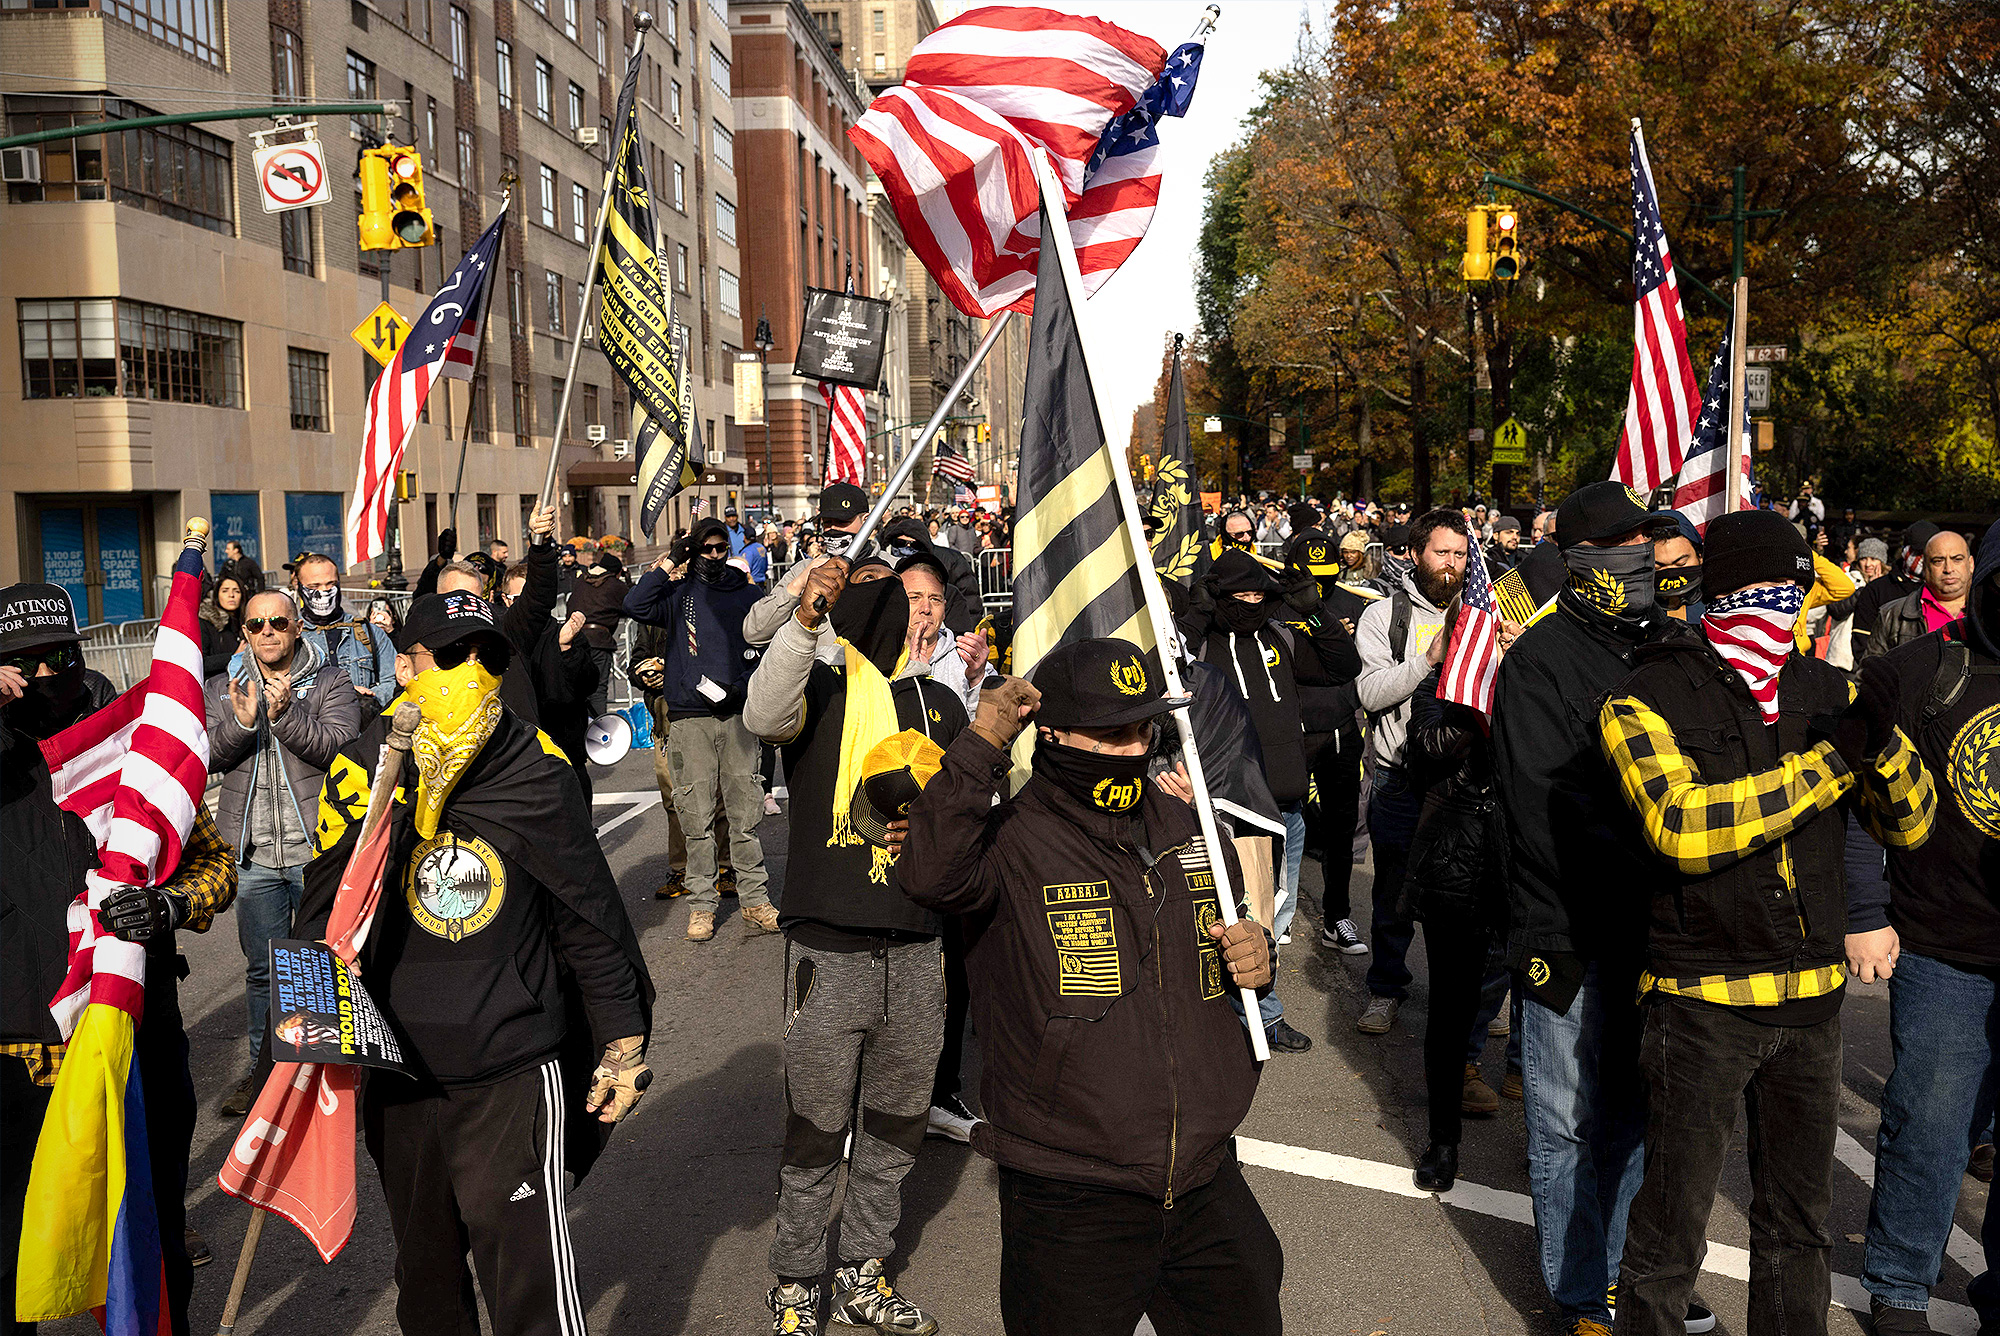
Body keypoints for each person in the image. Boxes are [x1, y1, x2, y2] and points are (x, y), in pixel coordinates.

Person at [1599, 510, 1934, 1336]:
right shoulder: (1642, 695)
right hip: (1700, 1002)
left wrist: (1884, 747)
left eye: (1794, 592)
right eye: (1764, 590)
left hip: (1812, 1004)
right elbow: (1684, 827)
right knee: (1670, 1233)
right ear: (1721, 594)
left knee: (1798, 1229)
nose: (1781, 608)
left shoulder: (1828, 689)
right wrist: (1829, 762)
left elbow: (1912, 827)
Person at [896, 639, 1280, 1336]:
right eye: (1108, 735)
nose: (1130, 749)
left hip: (1204, 1175)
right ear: (1052, 734)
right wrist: (983, 741)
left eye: (1141, 730)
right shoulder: (1006, 839)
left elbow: (1229, 931)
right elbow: (927, 875)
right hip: (1069, 1194)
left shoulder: (1188, 822)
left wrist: (1257, 952)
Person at [301, 590, 654, 1336]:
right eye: (448, 655)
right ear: (405, 667)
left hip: (510, 1066)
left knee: (528, 1282)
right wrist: (307, 1027)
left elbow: (586, 914)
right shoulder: (362, 769)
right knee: (425, 1280)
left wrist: (622, 1043)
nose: (470, 670)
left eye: (486, 657)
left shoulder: (538, 766)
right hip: (399, 1070)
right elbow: (322, 914)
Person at [1, 582, 238, 1336]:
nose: (45, 678)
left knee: (148, 1235)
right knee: (11, 1248)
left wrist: (172, 906)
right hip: (20, 1049)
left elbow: (215, 865)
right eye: (24, 665)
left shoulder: (132, 744)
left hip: (133, 1030)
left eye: (60, 659)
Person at [741, 557, 968, 1336]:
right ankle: (796, 1282)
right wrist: (805, 619)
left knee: (896, 1128)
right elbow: (763, 715)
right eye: (903, 600)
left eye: (930, 600)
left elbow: (972, 812)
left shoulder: (942, 703)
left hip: (918, 949)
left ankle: (860, 1274)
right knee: (816, 1131)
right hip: (828, 951)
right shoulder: (819, 686)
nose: (918, 613)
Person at [1489, 481, 1693, 1336]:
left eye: (1645, 544)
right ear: (1576, 562)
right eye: (1618, 548)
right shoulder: (1538, 661)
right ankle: (1581, 1295)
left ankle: (1618, 1271)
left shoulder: (1671, 650)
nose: (1639, 560)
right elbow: (1543, 813)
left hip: (1659, 933)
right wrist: (1658, 861)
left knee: (1635, 1115)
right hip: (1568, 928)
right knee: (1566, 1122)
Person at [1847, 518, 2000, 1334]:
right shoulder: (1917, 669)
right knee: (1930, 1127)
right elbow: (1854, 789)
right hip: (1944, 948)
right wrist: (1864, 911)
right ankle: (1901, 1286)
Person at [204, 587, 361, 1116]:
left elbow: (340, 745)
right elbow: (206, 755)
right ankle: (264, 1079)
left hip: (317, 851)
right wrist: (243, 721)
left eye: (277, 622)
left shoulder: (331, 680)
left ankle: (324, 1084)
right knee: (263, 973)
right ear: (244, 632)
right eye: (256, 624)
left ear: (297, 627)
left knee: (322, 972)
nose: (267, 631)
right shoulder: (222, 687)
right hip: (253, 856)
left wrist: (287, 713)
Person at [1198, 547, 1357, 1052]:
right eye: (1238, 596)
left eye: (1258, 595)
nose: (1250, 604)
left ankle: (1257, 1011)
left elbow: (1342, 667)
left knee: (1274, 918)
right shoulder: (1198, 645)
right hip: (1232, 809)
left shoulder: (1280, 636)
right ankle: (1252, 1016)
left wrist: (1317, 613)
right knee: (1238, 919)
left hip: (1287, 807)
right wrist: (1194, 614)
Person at [623, 518, 776, 941]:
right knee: (696, 816)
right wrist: (673, 558)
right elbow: (635, 604)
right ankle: (702, 906)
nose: (713, 555)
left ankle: (755, 900)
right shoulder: (677, 594)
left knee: (744, 814)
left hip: (737, 715)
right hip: (689, 718)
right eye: (704, 548)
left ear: (728, 549)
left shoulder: (747, 594)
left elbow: (765, 651)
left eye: (719, 548)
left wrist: (740, 688)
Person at [1351, 507, 1468, 1034]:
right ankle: (1386, 988)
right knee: (1394, 893)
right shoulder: (1383, 616)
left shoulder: (1482, 610)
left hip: (1461, 781)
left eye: (1460, 554)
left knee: (1462, 894)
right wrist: (1428, 659)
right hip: (1398, 778)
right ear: (1415, 554)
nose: (1451, 564)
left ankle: (1469, 1000)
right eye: (1441, 552)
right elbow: (1370, 693)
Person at [291, 553, 400, 709]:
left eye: (330, 584)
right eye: (314, 586)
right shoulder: (291, 637)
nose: (324, 591)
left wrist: (364, 698)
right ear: (298, 585)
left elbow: (394, 682)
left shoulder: (370, 633)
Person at [1868, 528, 1972, 659]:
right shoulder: (1891, 616)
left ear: (1971, 564)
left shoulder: (1990, 611)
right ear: (1924, 567)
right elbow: (1871, 670)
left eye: (1957, 559)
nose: (1948, 569)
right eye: (1938, 561)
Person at [1839, 521, 1935, 659]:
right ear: (1906, 551)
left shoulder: (1949, 592)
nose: (1868, 564)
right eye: (1919, 553)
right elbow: (1863, 644)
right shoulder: (1877, 589)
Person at [567, 546, 631, 716]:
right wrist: (628, 581)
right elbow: (634, 603)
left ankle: (580, 727)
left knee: (577, 688)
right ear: (616, 573)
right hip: (599, 641)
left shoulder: (581, 581)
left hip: (575, 637)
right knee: (597, 689)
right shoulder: (615, 585)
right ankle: (598, 727)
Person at [201, 572, 247, 678]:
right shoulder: (205, 622)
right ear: (217, 595)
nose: (231, 595)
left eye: (236, 591)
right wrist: (234, 656)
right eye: (225, 591)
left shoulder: (248, 623)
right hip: (215, 683)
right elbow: (201, 663)